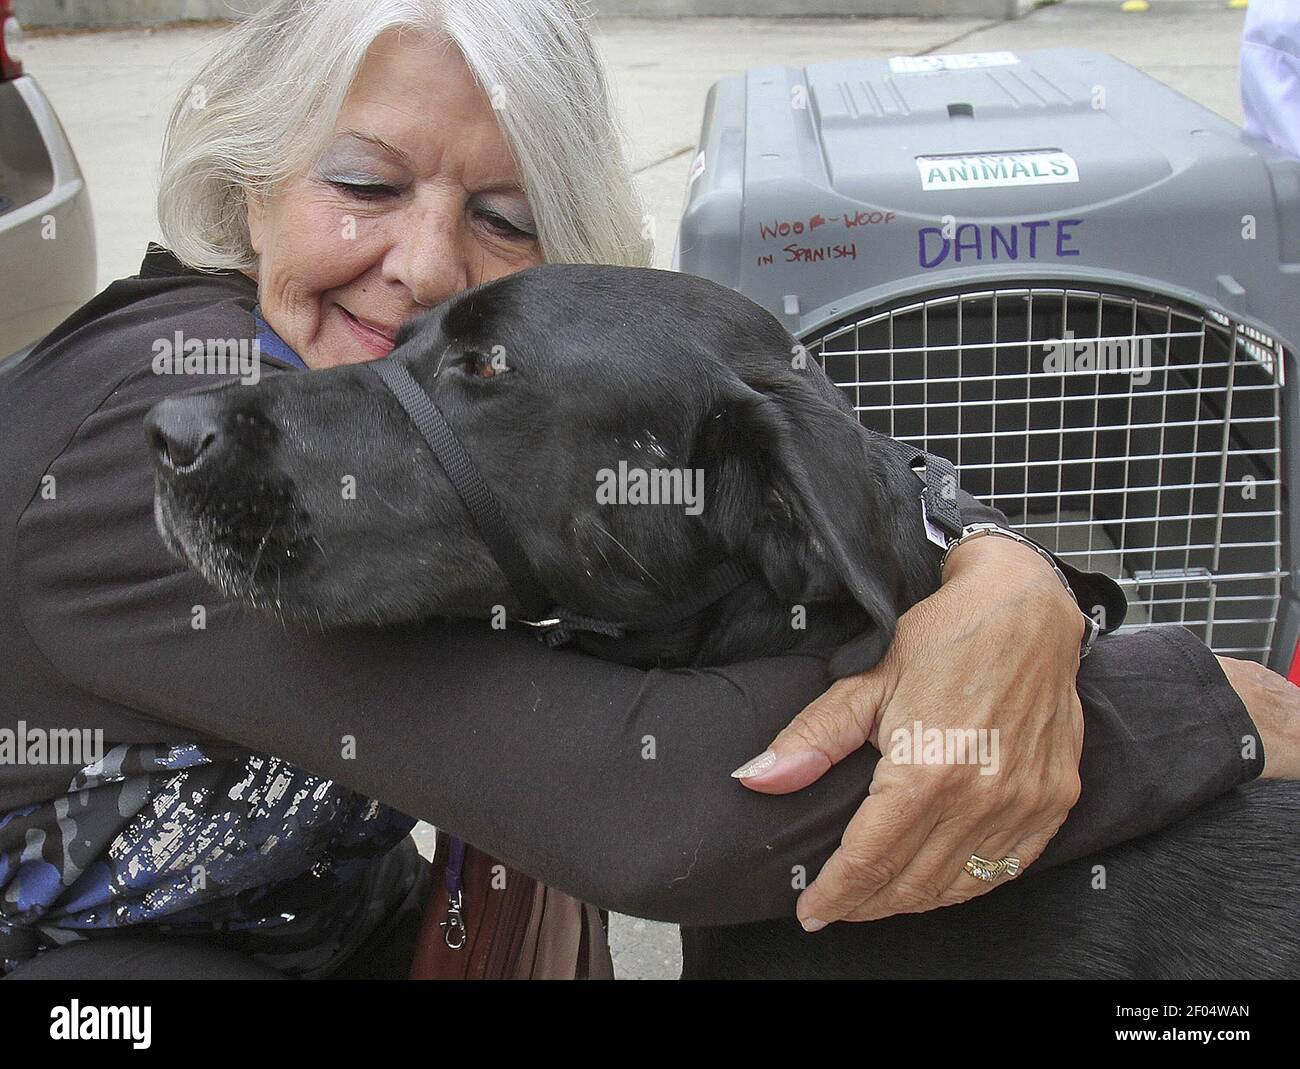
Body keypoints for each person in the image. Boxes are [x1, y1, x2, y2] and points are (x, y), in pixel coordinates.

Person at [1, 0, 1294, 979]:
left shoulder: (413, 400)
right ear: (252, 182)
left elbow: (833, 457)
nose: (428, 262)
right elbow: (663, 817)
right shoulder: (160, 442)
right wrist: (1202, 704)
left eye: (503, 215)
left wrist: (1006, 578)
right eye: (363, 183)